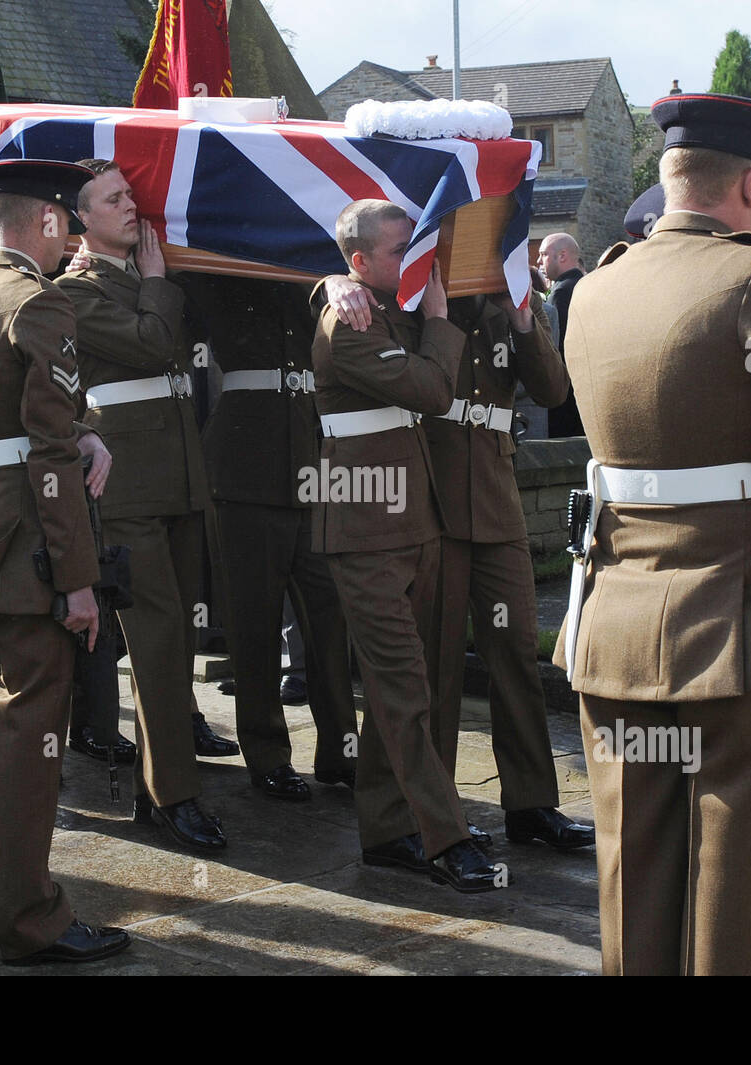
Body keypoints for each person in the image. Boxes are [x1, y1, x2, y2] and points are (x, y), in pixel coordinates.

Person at [553, 93, 751, 975]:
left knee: (634, 888)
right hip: (742, 631)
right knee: (736, 895)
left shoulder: (596, 286)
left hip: (614, 620)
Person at [0, 157, 129, 966]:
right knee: (28, 735)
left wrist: (75, 425)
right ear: (46, 221)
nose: (72, 236)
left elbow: (7, 415)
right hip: (26, 548)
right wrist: (77, 579)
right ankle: (27, 917)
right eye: (68, 222)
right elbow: (46, 453)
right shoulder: (36, 302)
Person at [321, 276, 594, 854]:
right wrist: (331, 279)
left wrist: (522, 317)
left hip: (493, 496)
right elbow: (342, 278)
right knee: (429, 664)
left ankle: (531, 803)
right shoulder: (410, 291)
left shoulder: (513, 296)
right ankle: (422, 815)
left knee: (517, 650)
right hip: (429, 496)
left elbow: (551, 389)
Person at [313, 198, 505, 892]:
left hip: (410, 525)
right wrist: (438, 324)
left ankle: (388, 827)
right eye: (400, 251)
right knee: (403, 687)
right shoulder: (350, 321)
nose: (414, 261)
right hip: (364, 534)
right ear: (360, 262)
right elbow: (431, 389)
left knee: (400, 689)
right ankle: (443, 836)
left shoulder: (377, 304)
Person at [56, 159, 228, 849]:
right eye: (114, 199)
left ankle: (163, 789)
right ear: (82, 219)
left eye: (132, 194)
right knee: (155, 640)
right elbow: (152, 343)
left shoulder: (147, 275)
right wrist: (158, 283)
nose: (131, 206)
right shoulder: (77, 287)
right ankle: (172, 796)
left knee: (178, 637)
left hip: (178, 476)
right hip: (126, 486)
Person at [184, 269, 359, 800]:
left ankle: (341, 753)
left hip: (309, 457)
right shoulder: (217, 271)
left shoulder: (309, 272)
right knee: (253, 620)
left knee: (329, 616)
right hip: (246, 461)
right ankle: (266, 755)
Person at [536, 232, 585, 436]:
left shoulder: (562, 292)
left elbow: (557, 344)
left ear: (562, 255)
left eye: (543, 254)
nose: (538, 261)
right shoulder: (585, 284)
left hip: (567, 392)